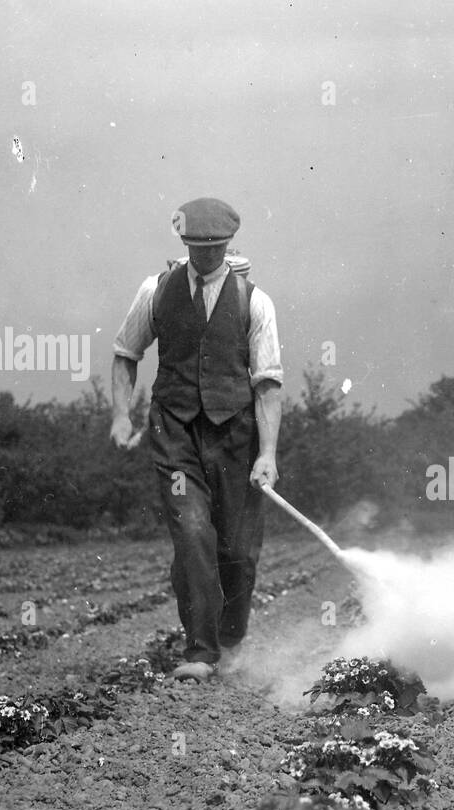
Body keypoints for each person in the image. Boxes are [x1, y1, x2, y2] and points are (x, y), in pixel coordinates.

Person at [109, 197, 283, 681]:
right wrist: (121, 415)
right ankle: (200, 652)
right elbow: (125, 352)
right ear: (184, 244)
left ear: (228, 245)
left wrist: (267, 454)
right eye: (196, 248)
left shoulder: (254, 300)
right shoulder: (156, 290)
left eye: (215, 248)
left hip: (235, 437)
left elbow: (267, 383)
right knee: (191, 532)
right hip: (175, 432)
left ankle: (230, 634)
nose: (205, 257)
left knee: (237, 550)